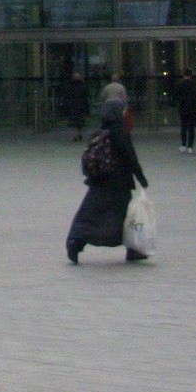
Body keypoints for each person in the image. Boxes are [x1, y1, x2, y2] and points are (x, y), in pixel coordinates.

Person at [66, 94, 150, 264]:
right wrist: (141, 177)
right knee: (125, 217)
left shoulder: (100, 132)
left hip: (99, 182)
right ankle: (133, 250)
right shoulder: (120, 132)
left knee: (90, 215)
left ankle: (76, 241)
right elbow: (130, 157)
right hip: (119, 183)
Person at [174, 74, 196, 153]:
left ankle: (183, 145)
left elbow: (176, 96)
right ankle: (190, 146)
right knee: (191, 128)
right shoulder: (195, 85)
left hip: (183, 109)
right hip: (193, 109)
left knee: (183, 127)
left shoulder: (179, 84)